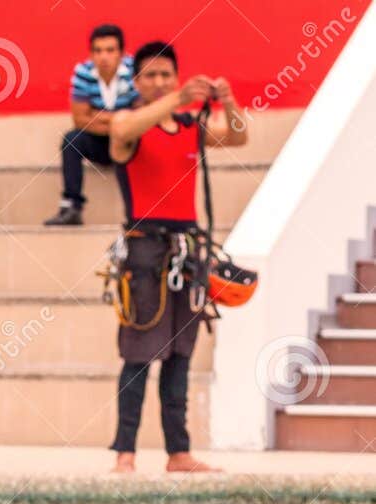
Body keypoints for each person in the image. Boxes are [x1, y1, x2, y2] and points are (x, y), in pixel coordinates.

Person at [107, 41, 248, 474]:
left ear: (176, 75)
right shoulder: (127, 122)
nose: (159, 81)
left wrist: (227, 101)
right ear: (136, 82)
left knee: (181, 353)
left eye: (166, 74)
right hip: (145, 249)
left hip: (186, 251)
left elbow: (239, 136)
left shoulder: (190, 125)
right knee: (139, 350)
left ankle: (178, 452)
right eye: (149, 75)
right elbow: (121, 135)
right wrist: (177, 98)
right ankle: (125, 452)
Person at [44, 23, 137, 227]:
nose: (103, 57)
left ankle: (140, 212)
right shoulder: (83, 72)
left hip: (129, 141)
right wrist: (120, 119)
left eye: (110, 50)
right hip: (99, 142)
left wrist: (98, 116)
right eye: (98, 51)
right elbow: (79, 120)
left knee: (144, 137)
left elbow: (140, 118)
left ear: (121, 53)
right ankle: (71, 207)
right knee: (72, 140)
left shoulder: (134, 70)